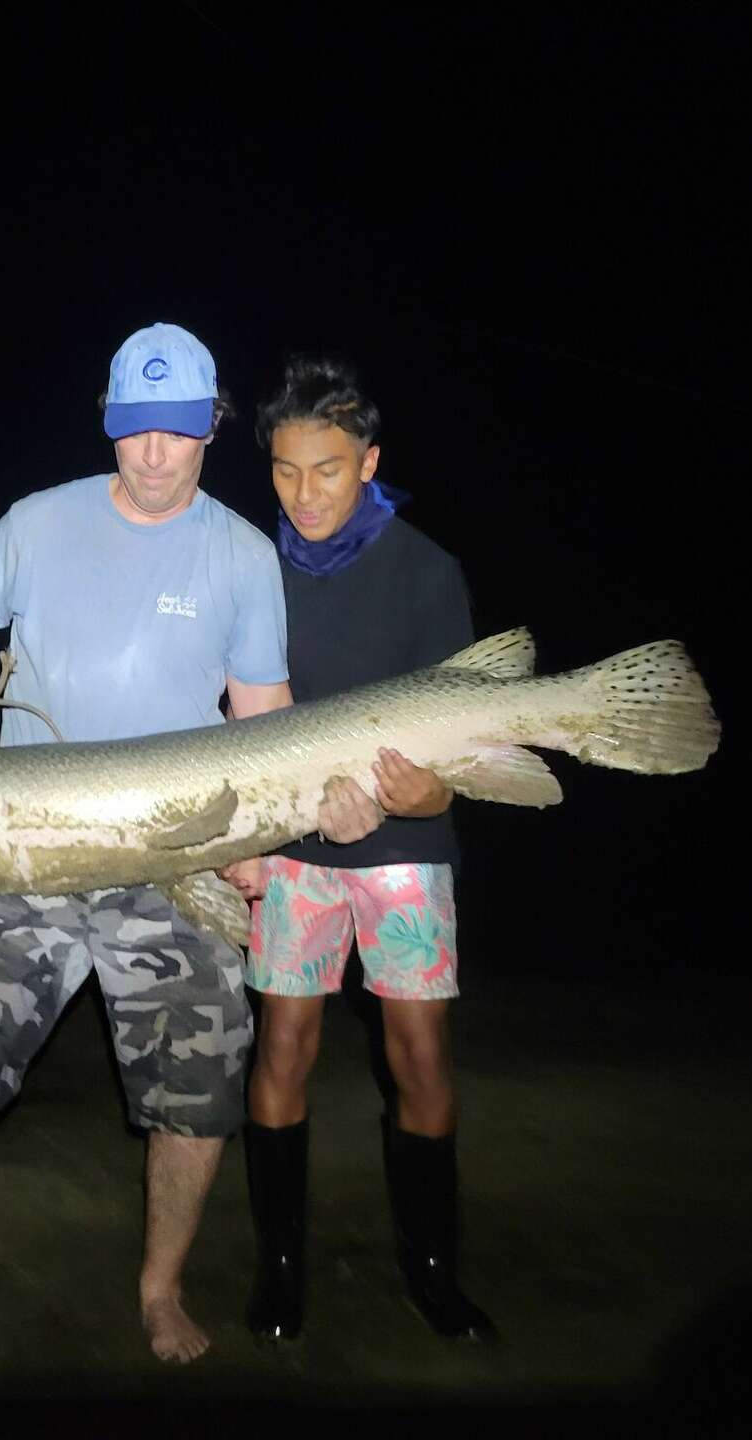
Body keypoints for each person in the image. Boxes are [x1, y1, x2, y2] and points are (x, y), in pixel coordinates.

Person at [0, 322, 295, 1379]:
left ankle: (159, 1285)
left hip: (169, 858)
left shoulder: (244, 557)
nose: (154, 457)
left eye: (175, 432)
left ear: (212, 428)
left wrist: (256, 841)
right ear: (108, 426)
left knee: (203, 1082)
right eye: (134, 432)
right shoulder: (37, 521)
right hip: (24, 843)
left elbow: (264, 720)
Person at [220, 355, 498, 1344]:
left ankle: (432, 1270)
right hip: (295, 847)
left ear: (369, 460)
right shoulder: (253, 569)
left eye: (329, 470)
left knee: (420, 1057)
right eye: (288, 472)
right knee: (281, 1045)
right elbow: (234, 713)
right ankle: (281, 1269)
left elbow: (465, 730)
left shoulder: (428, 570)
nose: (306, 494)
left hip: (406, 849)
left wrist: (439, 786)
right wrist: (241, 834)